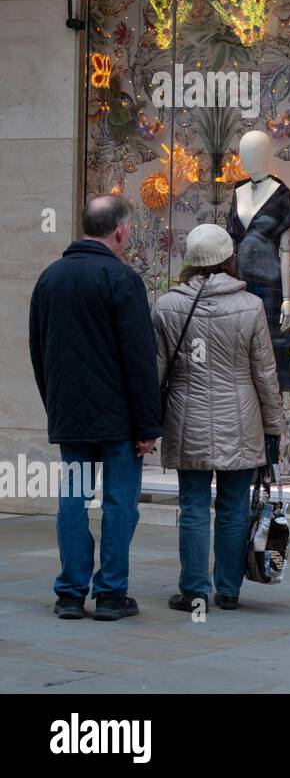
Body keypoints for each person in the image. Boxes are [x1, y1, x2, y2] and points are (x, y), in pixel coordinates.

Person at [29, 195, 162, 621]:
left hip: (71, 417)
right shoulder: (122, 280)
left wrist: (55, 403)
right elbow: (140, 359)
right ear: (120, 231)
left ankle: (69, 593)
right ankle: (110, 594)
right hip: (119, 421)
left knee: (72, 498)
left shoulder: (49, 279)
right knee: (120, 503)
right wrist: (147, 424)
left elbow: (38, 350)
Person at [153, 224, 283, 611]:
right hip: (241, 420)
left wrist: (145, 424)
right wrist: (273, 427)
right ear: (230, 257)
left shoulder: (167, 306)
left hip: (185, 415)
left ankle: (194, 590)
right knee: (233, 505)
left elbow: (156, 371)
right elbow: (265, 373)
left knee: (192, 504)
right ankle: (228, 590)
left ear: (190, 260)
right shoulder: (250, 306)